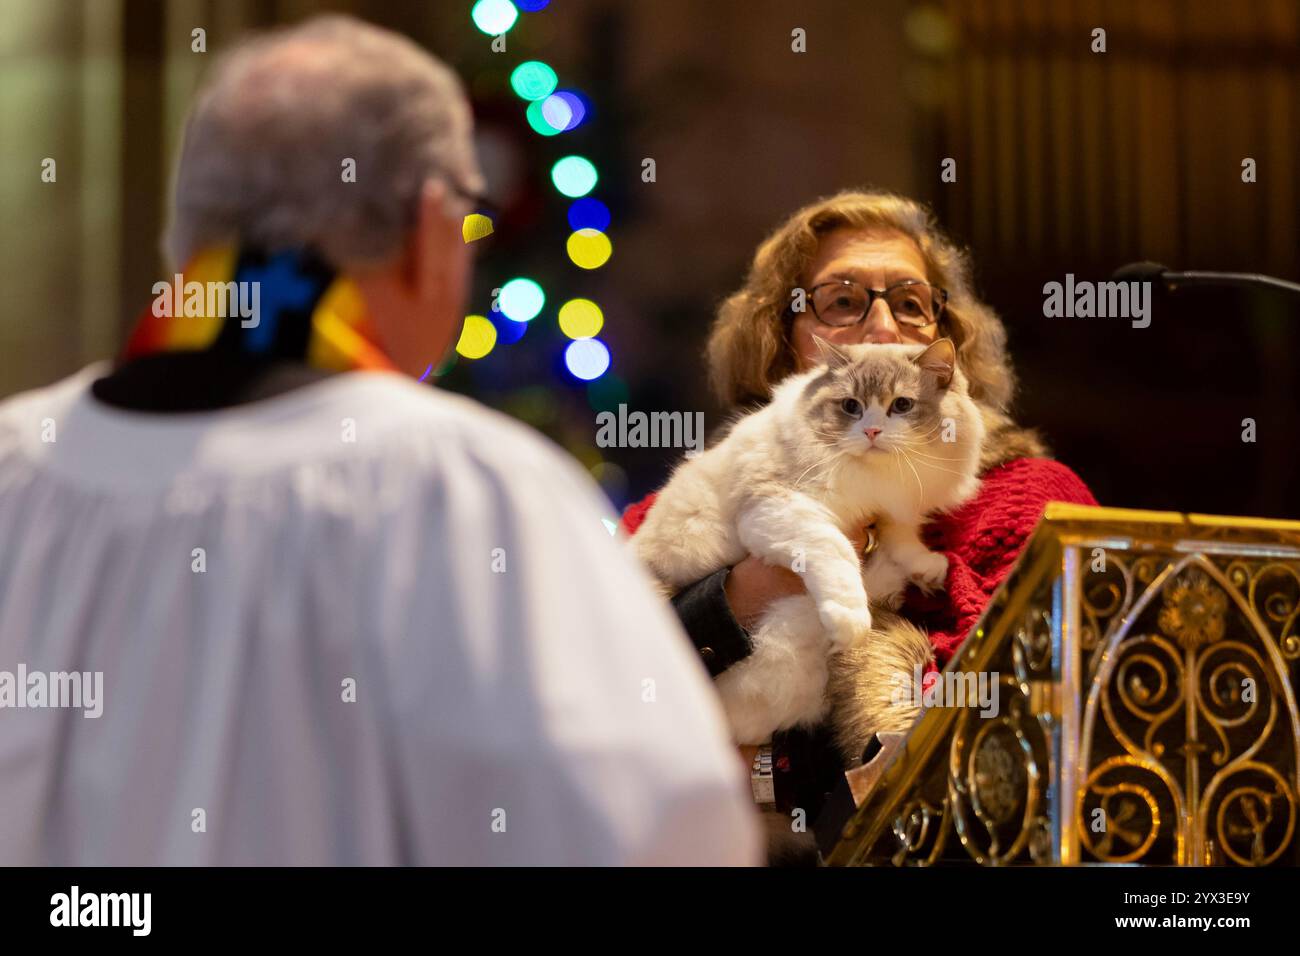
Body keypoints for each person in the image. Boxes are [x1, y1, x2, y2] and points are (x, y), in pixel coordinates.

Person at [0, 15, 760, 866]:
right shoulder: (466, 491)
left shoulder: (15, 466)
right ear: (433, 226)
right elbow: (656, 828)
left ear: (188, 230)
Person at [620, 190, 1096, 859]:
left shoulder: (1031, 498)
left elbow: (1040, 725)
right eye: (841, 302)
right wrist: (746, 593)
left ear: (946, 353)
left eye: (911, 302)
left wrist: (764, 772)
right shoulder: (688, 498)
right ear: (784, 348)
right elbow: (609, 694)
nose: (880, 326)